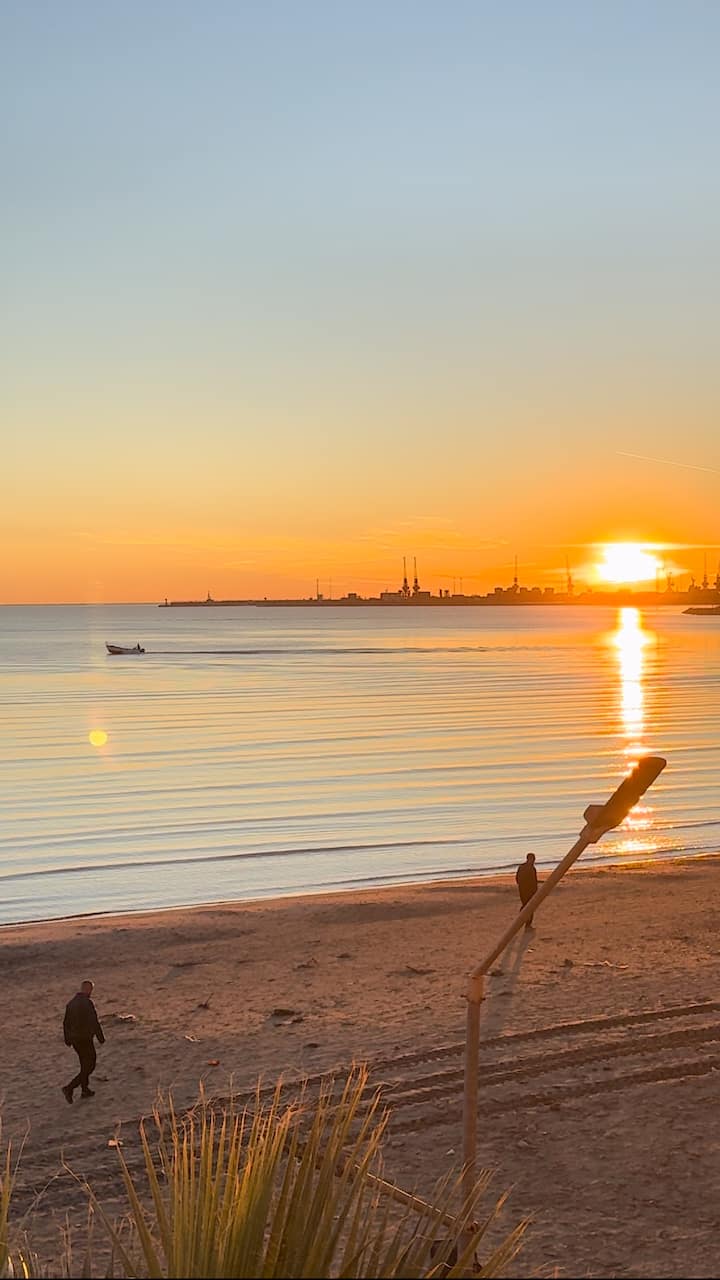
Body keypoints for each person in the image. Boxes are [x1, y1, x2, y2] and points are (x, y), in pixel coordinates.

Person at [61, 980, 105, 1104]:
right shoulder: (87, 1003)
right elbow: (94, 1021)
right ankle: (69, 1088)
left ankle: (85, 1090)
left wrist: (67, 1039)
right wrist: (100, 1037)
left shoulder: (71, 1003)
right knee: (90, 1065)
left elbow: (65, 1023)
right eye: (90, 990)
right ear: (87, 989)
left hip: (75, 1040)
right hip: (84, 1038)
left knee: (84, 1064)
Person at [515, 852, 538, 928]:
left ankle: (525, 922)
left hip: (524, 890)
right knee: (529, 907)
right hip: (527, 890)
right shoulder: (530, 868)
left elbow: (517, 879)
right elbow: (533, 881)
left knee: (526, 906)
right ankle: (526, 923)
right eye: (533, 859)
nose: (533, 861)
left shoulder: (522, 867)